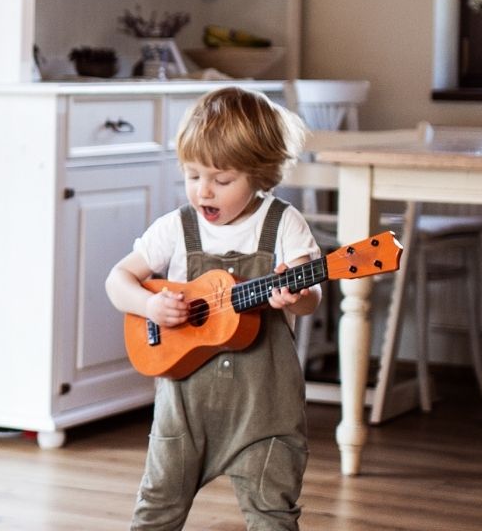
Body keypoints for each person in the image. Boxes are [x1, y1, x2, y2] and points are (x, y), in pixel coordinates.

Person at [104, 85, 321, 531]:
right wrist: (149, 304)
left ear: (260, 173)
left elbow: (310, 295)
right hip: (184, 411)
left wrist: (295, 296)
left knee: (273, 513)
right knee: (156, 511)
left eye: (222, 180)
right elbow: (117, 280)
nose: (204, 191)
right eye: (192, 175)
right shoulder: (175, 229)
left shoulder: (284, 223)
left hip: (265, 411)